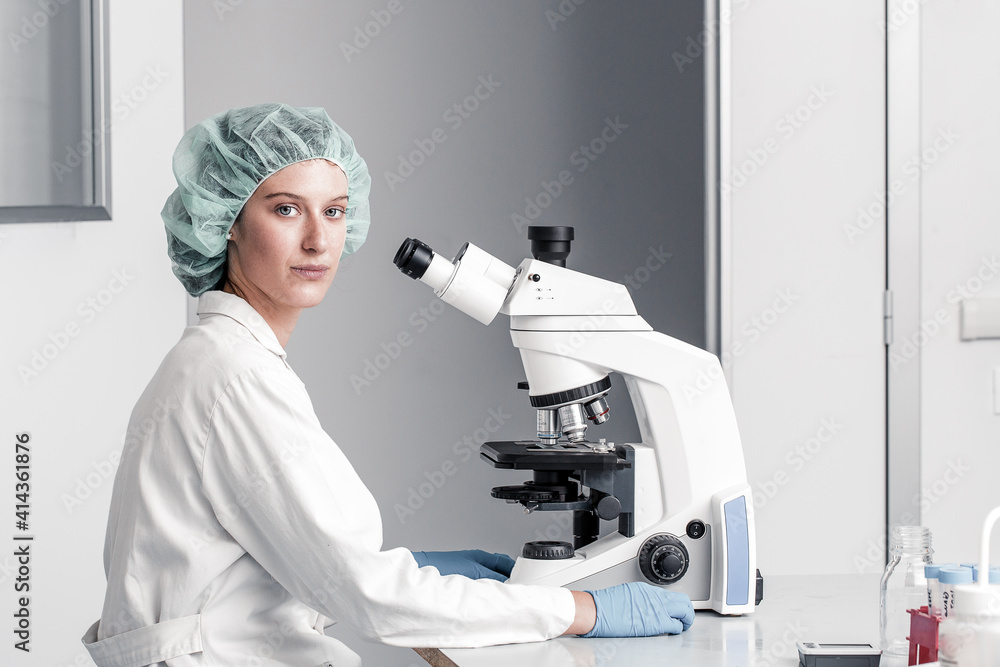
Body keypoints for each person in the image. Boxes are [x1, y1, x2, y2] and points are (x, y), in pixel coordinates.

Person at [81, 103, 694, 667]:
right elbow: (369, 600)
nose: (320, 239)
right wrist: (579, 613)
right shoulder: (235, 380)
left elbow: (243, 577)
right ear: (229, 222)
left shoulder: (214, 359)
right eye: (286, 209)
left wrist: (415, 570)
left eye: (336, 210)